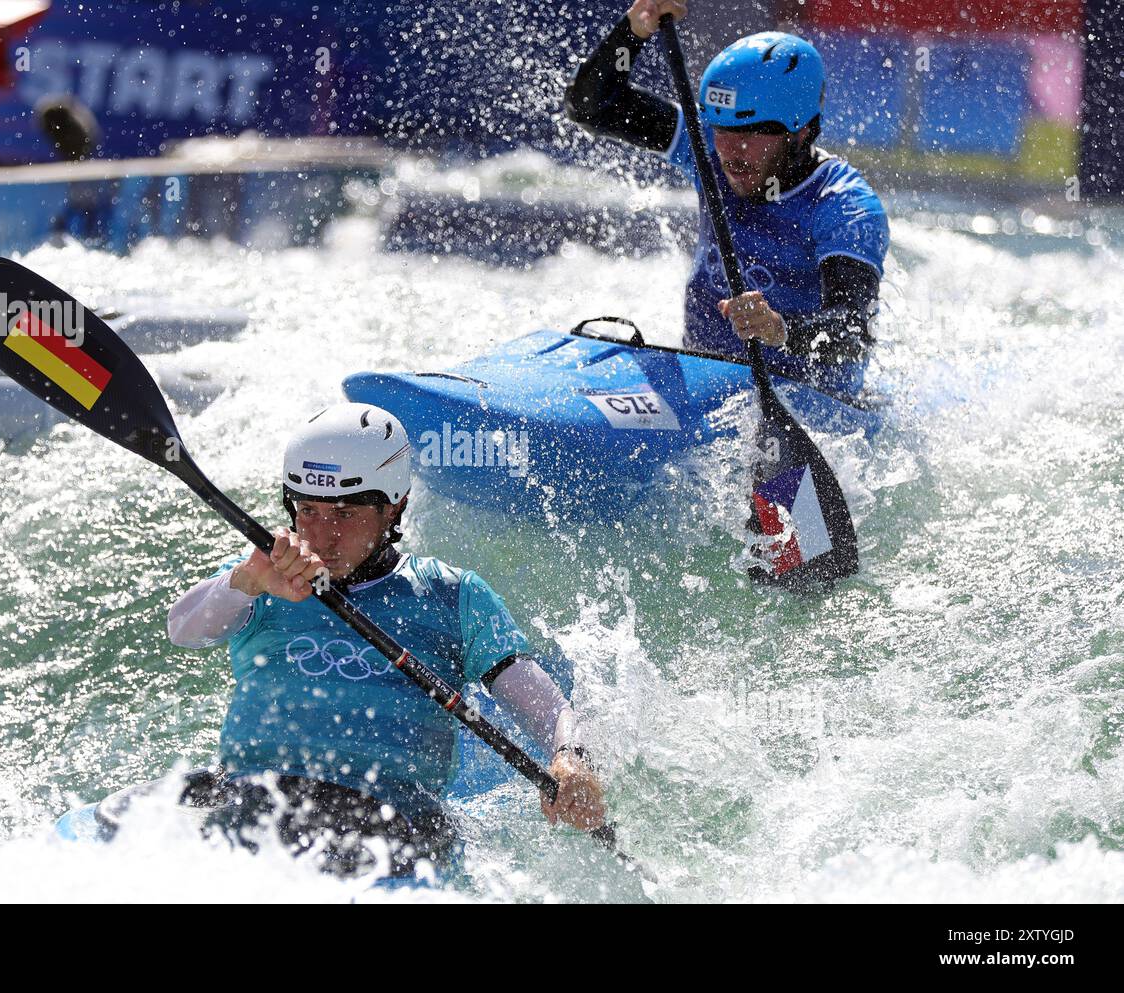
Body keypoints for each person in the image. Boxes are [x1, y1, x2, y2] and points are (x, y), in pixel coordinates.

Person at [167, 402, 605, 878]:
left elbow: (548, 707)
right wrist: (244, 582)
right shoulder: (261, 577)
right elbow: (183, 630)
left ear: (393, 506)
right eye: (307, 510)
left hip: (391, 820)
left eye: (345, 513)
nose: (320, 535)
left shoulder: (452, 595)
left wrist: (570, 760)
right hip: (253, 795)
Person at [565, 1, 890, 395]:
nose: (730, 152)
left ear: (802, 131)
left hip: (807, 403)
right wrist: (634, 32)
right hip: (703, 386)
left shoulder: (844, 206)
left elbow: (854, 332)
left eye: (750, 134)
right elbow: (592, 109)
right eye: (721, 129)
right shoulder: (705, 150)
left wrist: (778, 328)